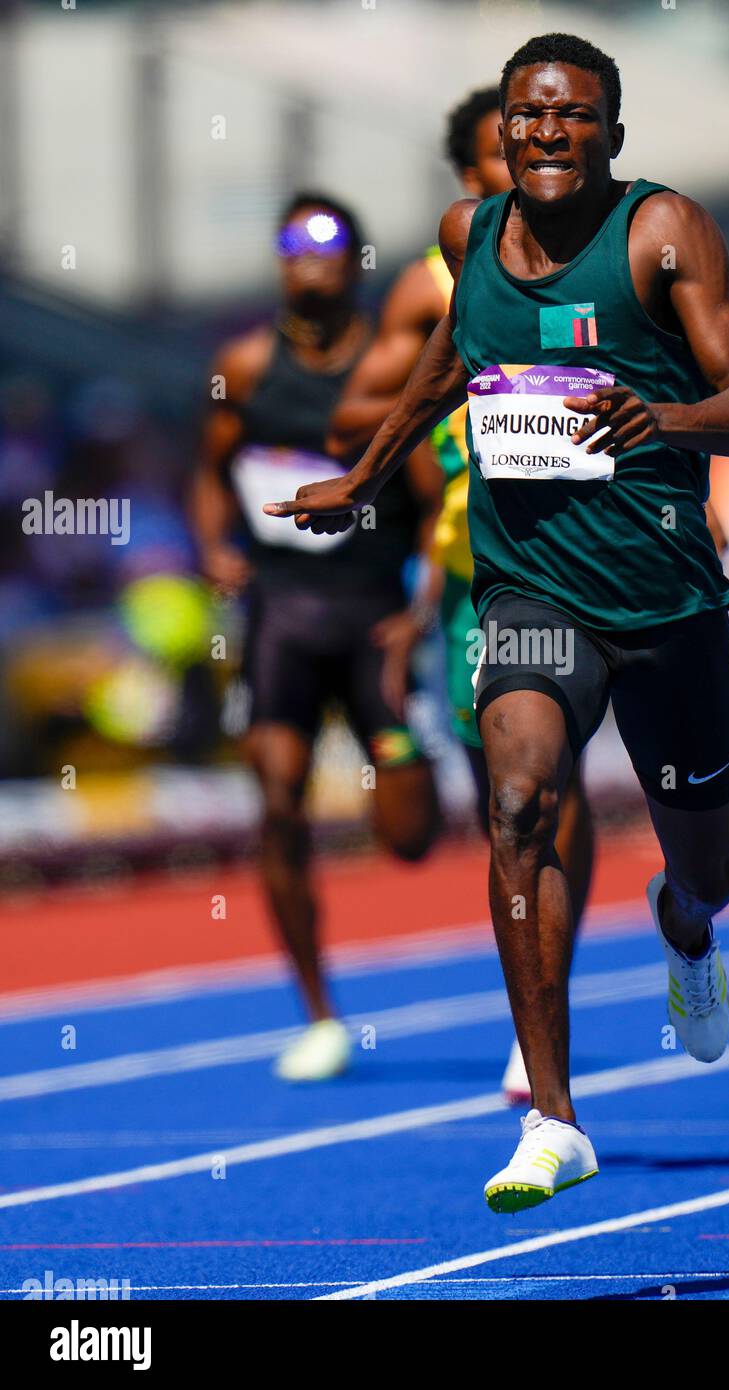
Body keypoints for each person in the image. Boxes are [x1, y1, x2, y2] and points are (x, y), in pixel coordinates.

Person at [265, 33, 729, 1209]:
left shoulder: (663, 232)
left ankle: (683, 929)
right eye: (527, 114)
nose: (547, 132)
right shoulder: (465, 240)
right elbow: (443, 373)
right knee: (516, 799)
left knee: (706, 862)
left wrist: (660, 414)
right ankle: (553, 1115)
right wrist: (363, 476)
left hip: (663, 596)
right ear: (500, 131)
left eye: (573, 114)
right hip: (529, 588)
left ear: (611, 133)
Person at [326, 88, 594, 1107]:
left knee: (550, 785)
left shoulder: (602, 255)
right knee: (511, 796)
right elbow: (357, 403)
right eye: (496, 156)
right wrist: (450, 395)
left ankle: (552, 1008)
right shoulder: (425, 284)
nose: (522, 167)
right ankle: (537, 1011)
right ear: (465, 174)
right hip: (474, 572)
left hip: (588, 556)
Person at [193, 192, 441, 1082]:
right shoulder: (249, 367)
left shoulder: (389, 363)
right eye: (290, 243)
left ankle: (409, 755)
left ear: (357, 263)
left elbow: (434, 492)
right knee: (278, 798)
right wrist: (217, 545)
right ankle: (319, 1013)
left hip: (374, 619)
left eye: (327, 242)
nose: (307, 257)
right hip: (284, 618)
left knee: (410, 837)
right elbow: (211, 468)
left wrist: (425, 603)